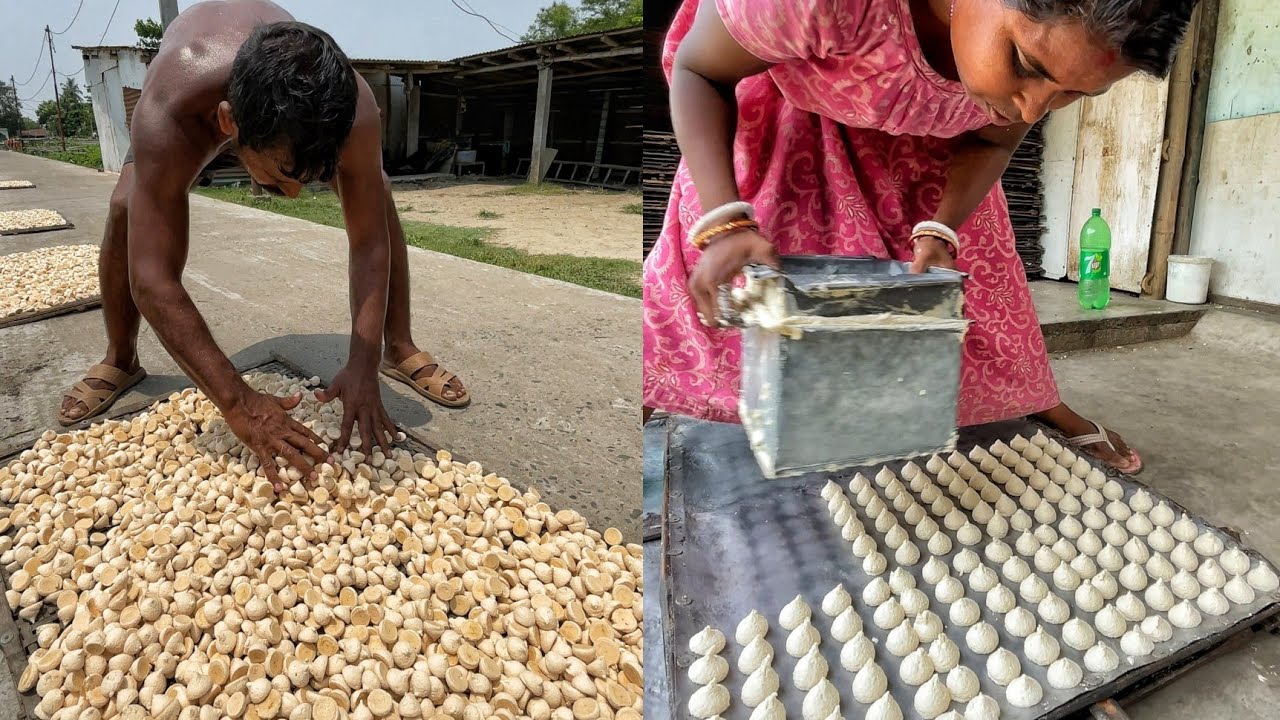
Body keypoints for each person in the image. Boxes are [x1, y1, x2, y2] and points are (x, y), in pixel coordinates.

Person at [643, 0, 1199, 473]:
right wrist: (726, 219)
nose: (1034, 107)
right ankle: (664, 404)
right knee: (733, 302)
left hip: (935, 167)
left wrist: (942, 227)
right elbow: (700, 69)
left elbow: (993, 142)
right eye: (1026, 63)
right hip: (798, 135)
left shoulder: (1019, 89)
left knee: (974, 306)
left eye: (1074, 94)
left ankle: (1034, 401)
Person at [56, 0, 470, 490]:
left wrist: (362, 363)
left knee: (375, 197)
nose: (294, 194)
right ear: (229, 125)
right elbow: (153, 280)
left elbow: (369, 246)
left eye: (314, 177)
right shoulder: (171, 109)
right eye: (282, 176)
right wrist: (240, 403)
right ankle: (120, 358)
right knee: (126, 209)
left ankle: (396, 349)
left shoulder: (355, 109)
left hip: (274, 93)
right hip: (192, 84)